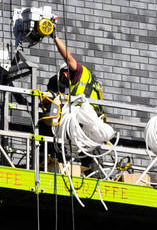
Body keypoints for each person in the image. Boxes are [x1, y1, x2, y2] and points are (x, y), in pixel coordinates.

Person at [38, 33, 106, 166]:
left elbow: (68, 58)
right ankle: (91, 171)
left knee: (58, 129)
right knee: (87, 148)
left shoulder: (80, 72)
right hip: (89, 119)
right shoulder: (85, 82)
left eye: (63, 81)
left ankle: (59, 161)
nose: (65, 85)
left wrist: (55, 38)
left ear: (65, 72)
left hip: (85, 116)